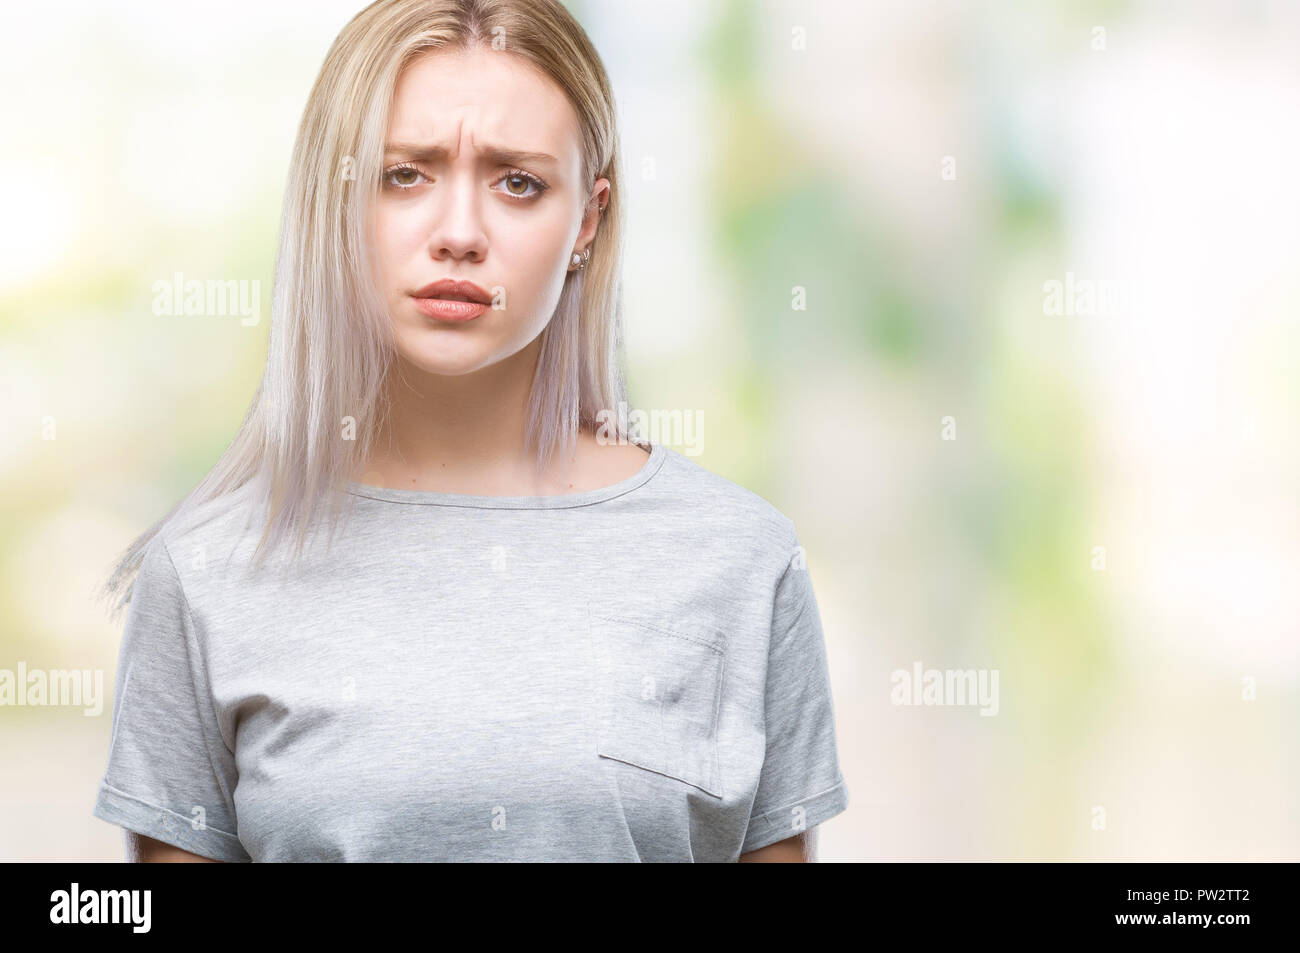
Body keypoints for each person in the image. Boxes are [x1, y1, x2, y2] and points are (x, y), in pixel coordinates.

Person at [93, 0, 848, 863]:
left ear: (588, 221)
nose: (458, 235)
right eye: (405, 174)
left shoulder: (739, 559)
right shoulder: (206, 569)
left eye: (517, 181)